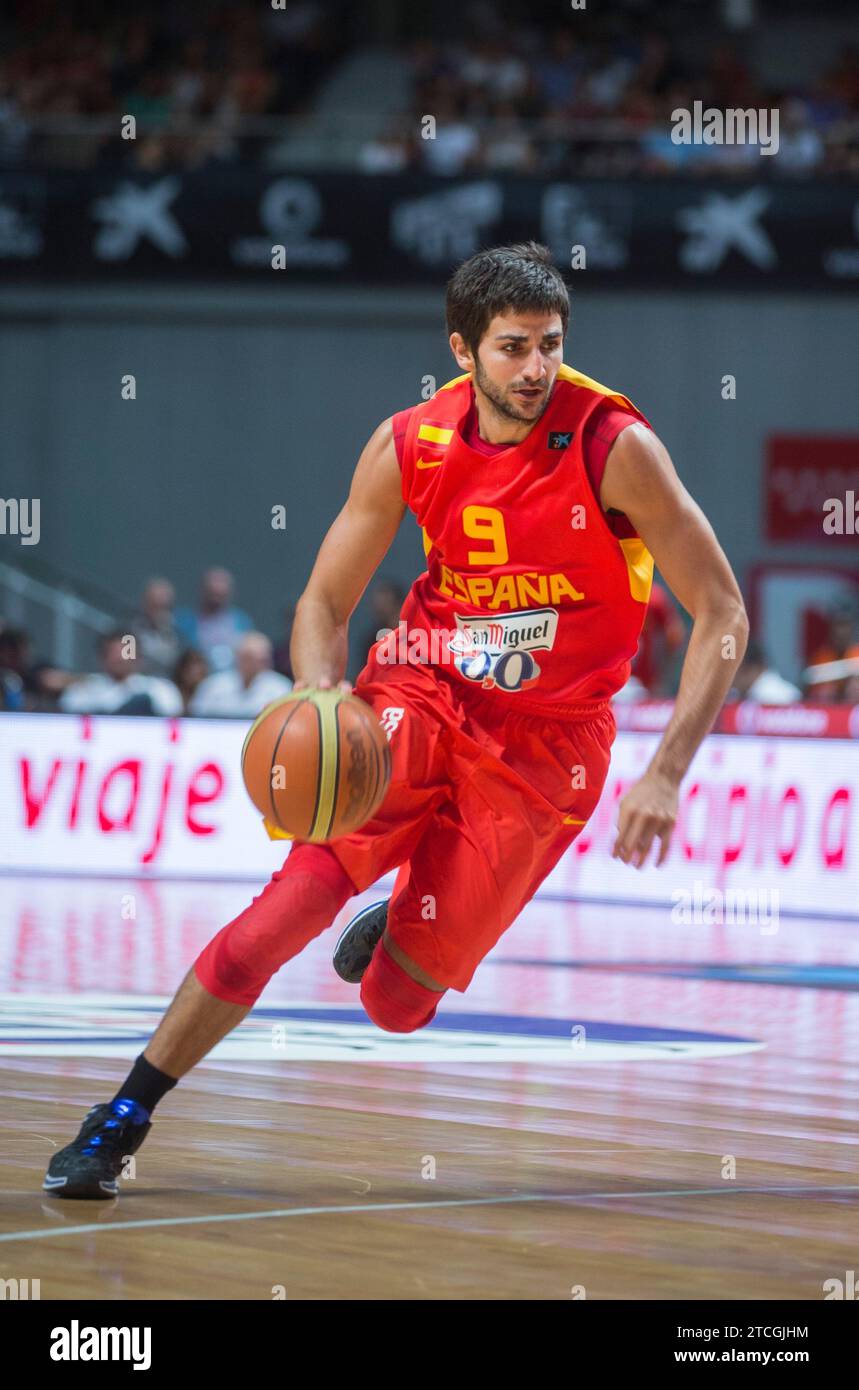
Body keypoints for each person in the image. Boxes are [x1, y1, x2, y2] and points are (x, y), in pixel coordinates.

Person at [44, 242, 748, 1199]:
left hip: (550, 742)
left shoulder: (612, 448)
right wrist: (321, 696)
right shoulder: (409, 443)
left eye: (548, 345)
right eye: (512, 348)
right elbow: (322, 604)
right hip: (421, 689)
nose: (535, 368)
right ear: (462, 350)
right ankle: (122, 1116)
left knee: (395, 1004)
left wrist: (665, 772)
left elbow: (722, 613)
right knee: (281, 915)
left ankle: (400, 909)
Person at [59, 630, 183, 716]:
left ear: (139, 657)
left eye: (126, 652)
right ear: (102, 658)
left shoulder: (160, 689)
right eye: (113, 653)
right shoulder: (83, 690)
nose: (119, 658)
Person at [189, 632, 292, 717]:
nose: (263, 664)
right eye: (250, 658)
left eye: (264, 659)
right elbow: (196, 717)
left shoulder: (281, 688)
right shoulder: (213, 685)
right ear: (239, 657)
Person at [175, 568, 253, 673]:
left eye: (221, 595)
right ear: (203, 591)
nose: (216, 599)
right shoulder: (185, 621)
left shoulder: (241, 622)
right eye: (213, 593)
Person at [806, 603, 859, 703]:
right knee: (826, 690)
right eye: (837, 625)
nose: (840, 631)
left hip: (855, 712)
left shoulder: (857, 654)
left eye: (845, 625)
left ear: (852, 627)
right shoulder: (820, 658)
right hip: (829, 712)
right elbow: (808, 691)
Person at [132, 578, 182, 679]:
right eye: (155, 606)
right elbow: (127, 661)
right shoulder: (130, 631)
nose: (160, 612)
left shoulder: (180, 633)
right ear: (145, 604)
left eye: (165, 607)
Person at [730, 640, 801, 705]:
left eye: (734, 668)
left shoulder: (781, 696)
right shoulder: (734, 695)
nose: (729, 676)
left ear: (752, 667)